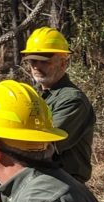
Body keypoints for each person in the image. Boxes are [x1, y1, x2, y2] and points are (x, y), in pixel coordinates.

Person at [22, 26, 96, 182]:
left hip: (64, 184)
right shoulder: (37, 97)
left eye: (44, 61)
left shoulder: (73, 100)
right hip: (42, 180)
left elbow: (43, 144)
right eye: (32, 60)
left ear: (63, 63)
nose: (36, 66)